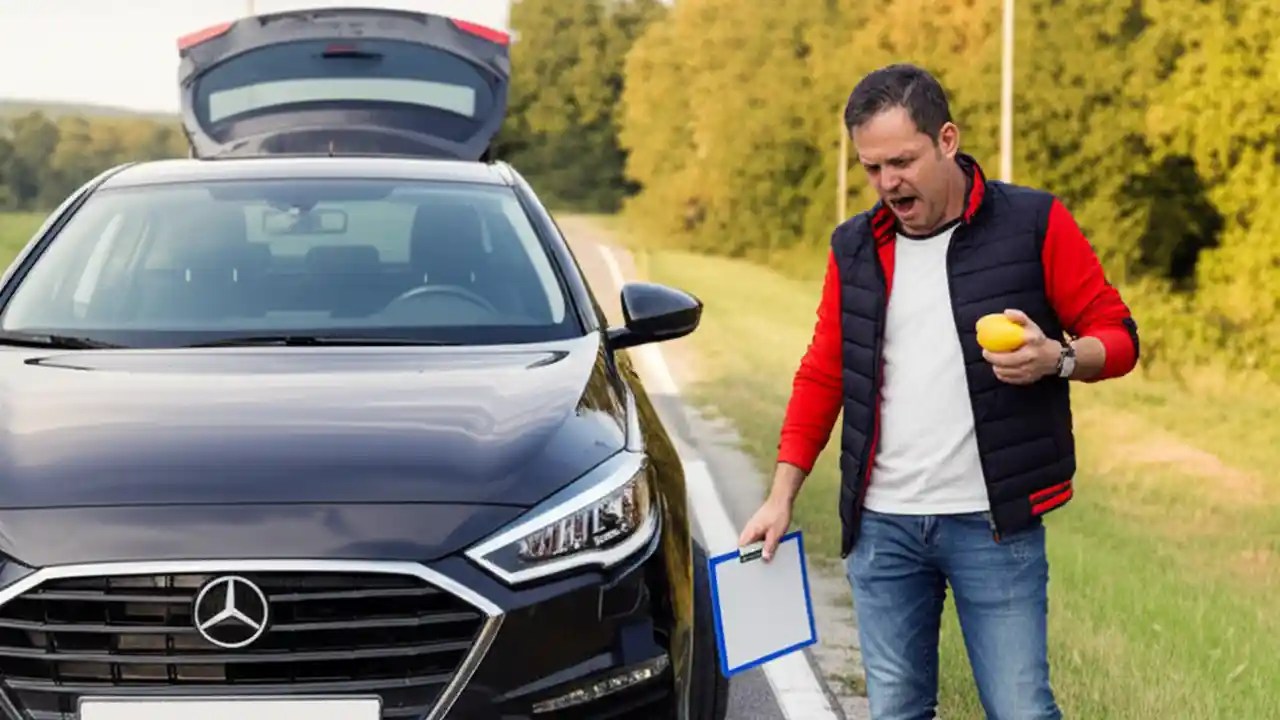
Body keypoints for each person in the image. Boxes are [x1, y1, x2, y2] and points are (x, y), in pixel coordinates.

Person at [738, 63, 1140, 720]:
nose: (887, 183)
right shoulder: (854, 247)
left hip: (993, 526)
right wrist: (781, 495)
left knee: (1022, 709)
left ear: (947, 140)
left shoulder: (1032, 223)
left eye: (902, 161)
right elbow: (824, 374)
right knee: (896, 711)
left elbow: (1118, 336)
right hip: (882, 528)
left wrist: (1057, 358)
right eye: (872, 168)